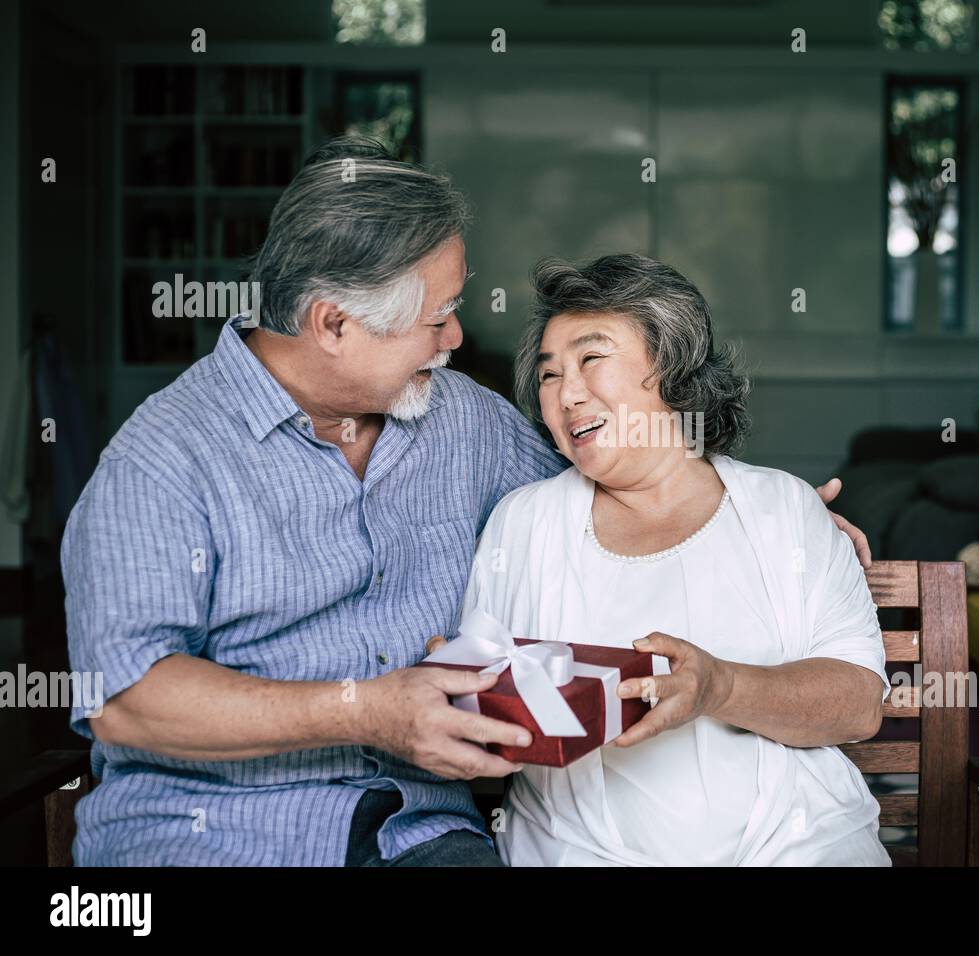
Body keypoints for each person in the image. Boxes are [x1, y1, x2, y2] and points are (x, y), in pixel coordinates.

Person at [62, 138, 873, 866]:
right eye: (438, 317)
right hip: (215, 830)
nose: (456, 340)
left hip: (421, 833)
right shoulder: (161, 460)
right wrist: (367, 711)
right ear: (334, 324)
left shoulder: (462, 420)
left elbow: (618, 471)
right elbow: (125, 702)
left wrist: (768, 514)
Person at [459, 254, 892, 866]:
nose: (567, 392)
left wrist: (720, 686)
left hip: (792, 848)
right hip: (580, 853)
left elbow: (858, 704)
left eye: (591, 359)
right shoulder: (524, 523)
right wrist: (461, 686)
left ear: (669, 365)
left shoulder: (784, 511)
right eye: (550, 375)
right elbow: (479, 696)